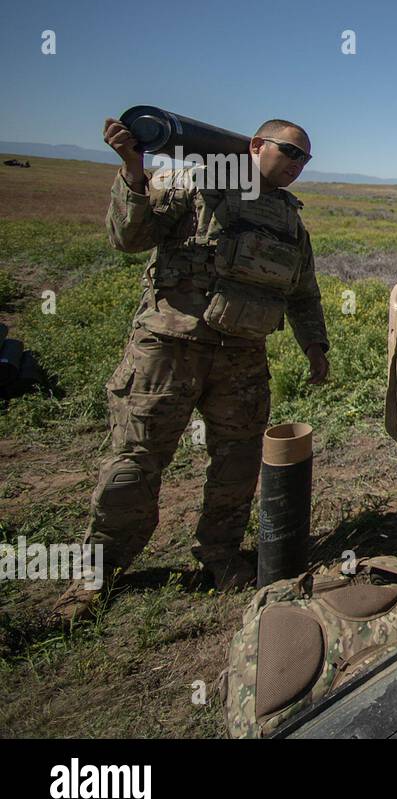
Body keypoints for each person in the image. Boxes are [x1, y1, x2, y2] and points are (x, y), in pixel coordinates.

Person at [53, 117, 329, 622]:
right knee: (134, 462)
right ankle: (96, 575)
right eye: (289, 151)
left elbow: (302, 290)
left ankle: (219, 554)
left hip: (242, 356)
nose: (296, 165)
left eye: (304, 159)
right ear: (255, 145)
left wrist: (316, 346)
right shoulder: (196, 182)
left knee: (239, 463)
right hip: (168, 348)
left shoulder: (289, 219)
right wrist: (133, 170)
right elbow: (128, 237)